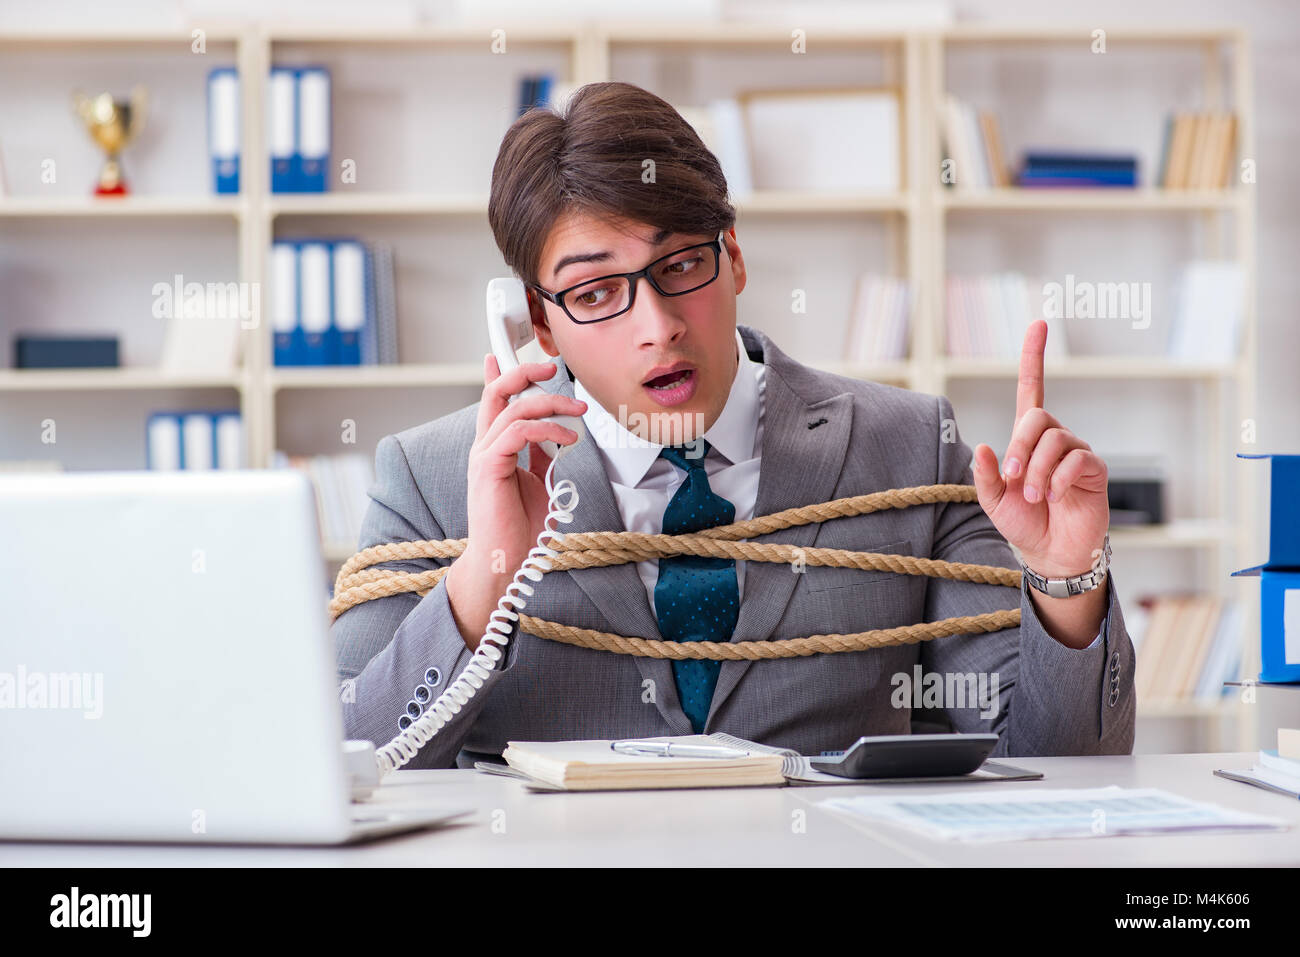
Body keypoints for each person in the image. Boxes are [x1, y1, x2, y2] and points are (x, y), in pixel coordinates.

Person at [333, 81, 1134, 770]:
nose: (657, 324)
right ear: (540, 328)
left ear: (735, 257)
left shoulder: (909, 447)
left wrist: (1067, 583)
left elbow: (1057, 772)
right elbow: (343, 765)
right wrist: (484, 577)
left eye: (681, 265)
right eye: (595, 292)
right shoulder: (434, 480)